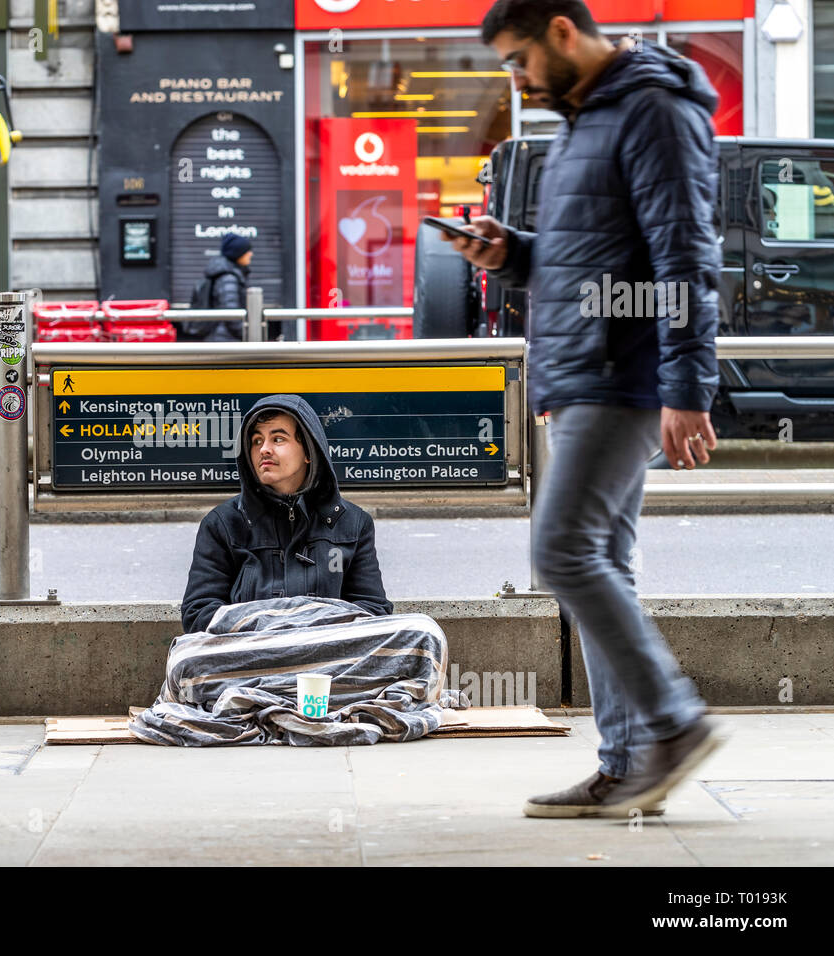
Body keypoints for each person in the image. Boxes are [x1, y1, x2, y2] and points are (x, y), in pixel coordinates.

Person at [443, 0, 724, 818]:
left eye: (520, 59)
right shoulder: (584, 121)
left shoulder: (652, 107)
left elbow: (684, 251)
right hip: (582, 375)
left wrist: (686, 386)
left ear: (563, 32)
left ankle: (671, 725)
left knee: (563, 552)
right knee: (601, 563)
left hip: (621, 373)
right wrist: (511, 254)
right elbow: (581, 262)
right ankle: (631, 767)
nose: (518, 78)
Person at [180, 394, 392, 634]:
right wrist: (278, 627)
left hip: (327, 662)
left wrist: (306, 630)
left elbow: (374, 610)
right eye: (256, 441)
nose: (264, 449)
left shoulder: (353, 523)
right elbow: (199, 613)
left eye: (278, 439)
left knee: (423, 629)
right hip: (249, 661)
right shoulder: (223, 524)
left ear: (309, 451)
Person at [186, 234, 252, 342]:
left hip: (222, 336)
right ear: (237, 253)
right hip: (226, 339)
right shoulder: (228, 278)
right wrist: (247, 335)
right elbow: (231, 314)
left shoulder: (226, 273)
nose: (250, 254)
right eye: (247, 251)